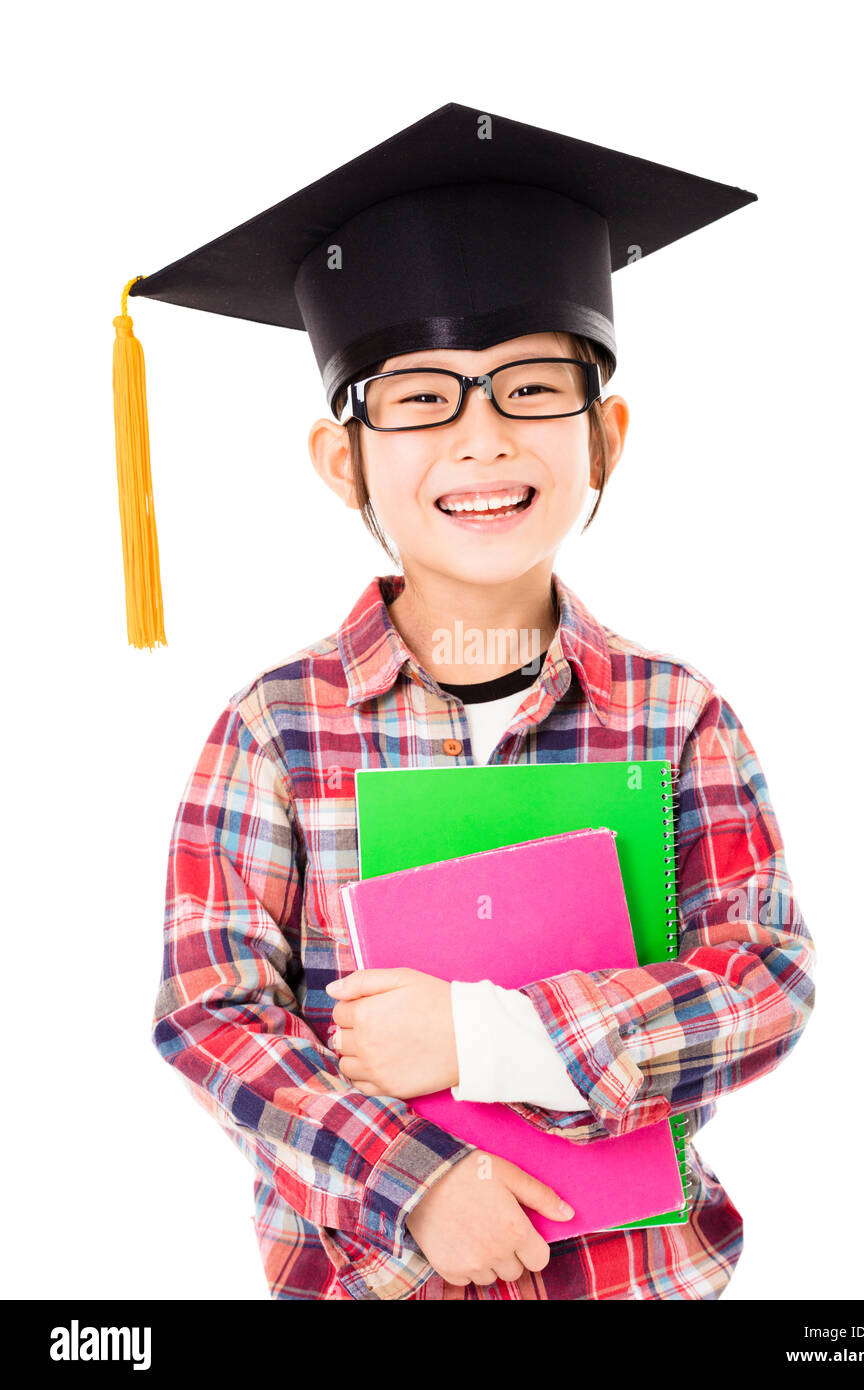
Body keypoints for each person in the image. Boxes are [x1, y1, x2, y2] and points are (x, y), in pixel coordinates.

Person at [136, 103, 816, 1300]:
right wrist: (415, 1183)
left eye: (528, 386)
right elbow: (214, 1016)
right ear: (341, 458)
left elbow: (761, 977)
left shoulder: (677, 715)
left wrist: (494, 1037)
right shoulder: (275, 729)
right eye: (418, 398)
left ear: (604, 435)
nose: (482, 438)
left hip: (638, 1281)